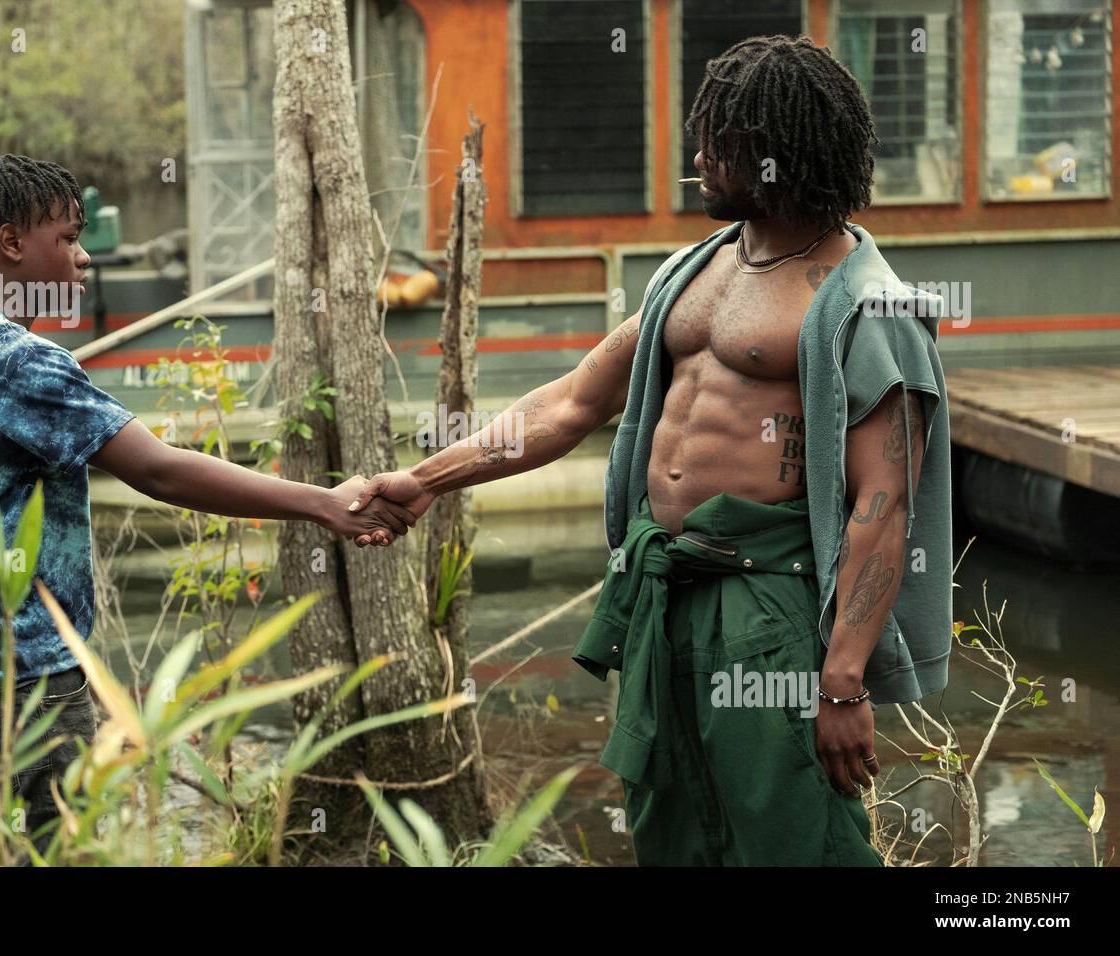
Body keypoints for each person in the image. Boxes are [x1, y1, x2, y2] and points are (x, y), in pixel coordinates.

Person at [346, 35, 953, 866]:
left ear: (776, 152)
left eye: (720, 141)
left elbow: (882, 510)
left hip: (766, 612)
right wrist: (423, 480)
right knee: (672, 826)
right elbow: (568, 404)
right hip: (661, 593)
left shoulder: (869, 307)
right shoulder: (692, 273)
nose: (697, 156)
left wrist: (842, 680)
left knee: (792, 837)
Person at [0, 154, 415, 864]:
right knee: (50, 854)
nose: (83, 262)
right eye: (68, 241)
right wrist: (325, 504)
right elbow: (160, 471)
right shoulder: (14, 362)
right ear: (13, 243)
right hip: (14, 672)